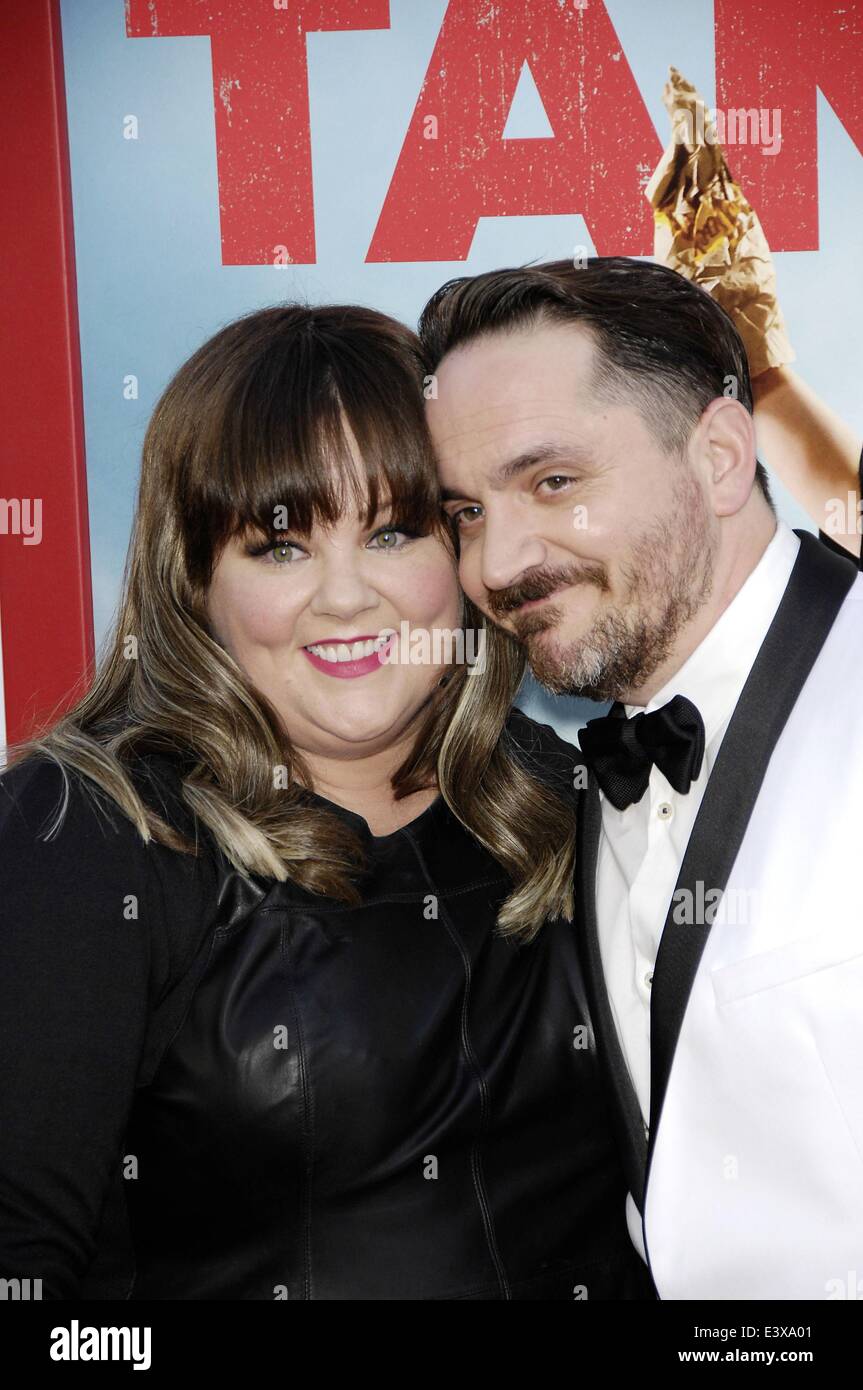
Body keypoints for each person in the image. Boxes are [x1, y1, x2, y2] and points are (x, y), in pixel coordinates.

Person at [0, 302, 654, 1301]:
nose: (345, 597)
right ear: (193, 579)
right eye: (281, 545)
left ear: (468, 552)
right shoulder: (86, 830)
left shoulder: (568, 800)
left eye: (394, 532)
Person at [419, 255, 863, 1299]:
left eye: (551, 482)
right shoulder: (565, 781)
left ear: (715, 457)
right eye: (464, 513)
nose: (495, 563)